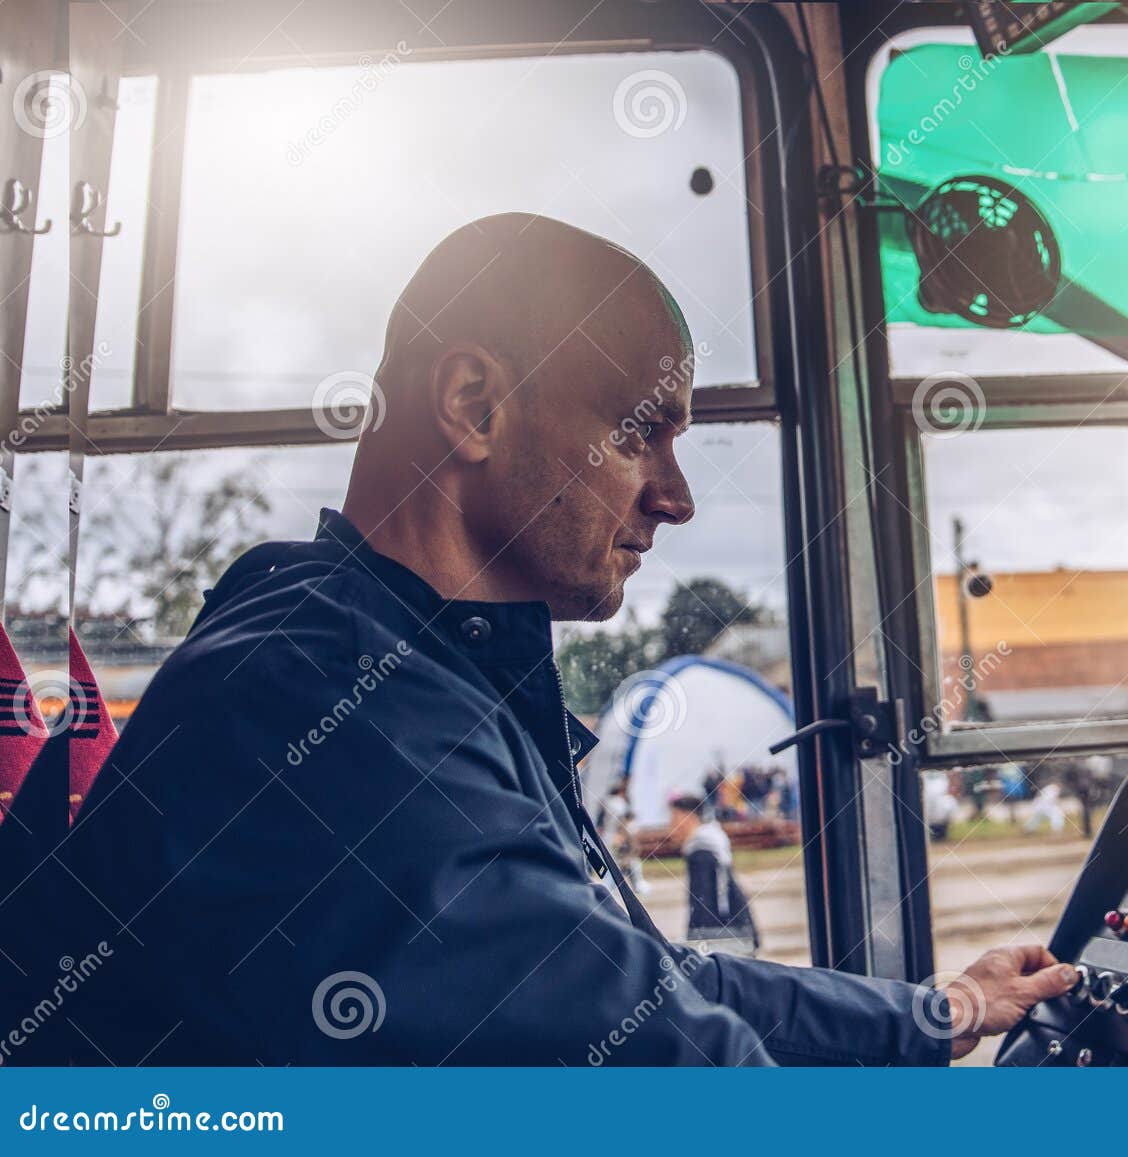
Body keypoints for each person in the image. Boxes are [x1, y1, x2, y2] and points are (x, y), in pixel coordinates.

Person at [53, 214, 1074, 1066]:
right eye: (640, 432)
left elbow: (638, 984)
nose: (673, 497)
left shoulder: (420, 665)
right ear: (473, 404)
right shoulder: (319, 691)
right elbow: (654, 1065)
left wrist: (943, 1011)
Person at [667, 793, 758, 956]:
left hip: (722, 935)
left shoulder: (701, 852)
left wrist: (695, 943)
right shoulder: (711, 845)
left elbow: (703, 903)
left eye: (675, 818)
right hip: (736, 926)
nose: (670, 825)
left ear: (689, 818)